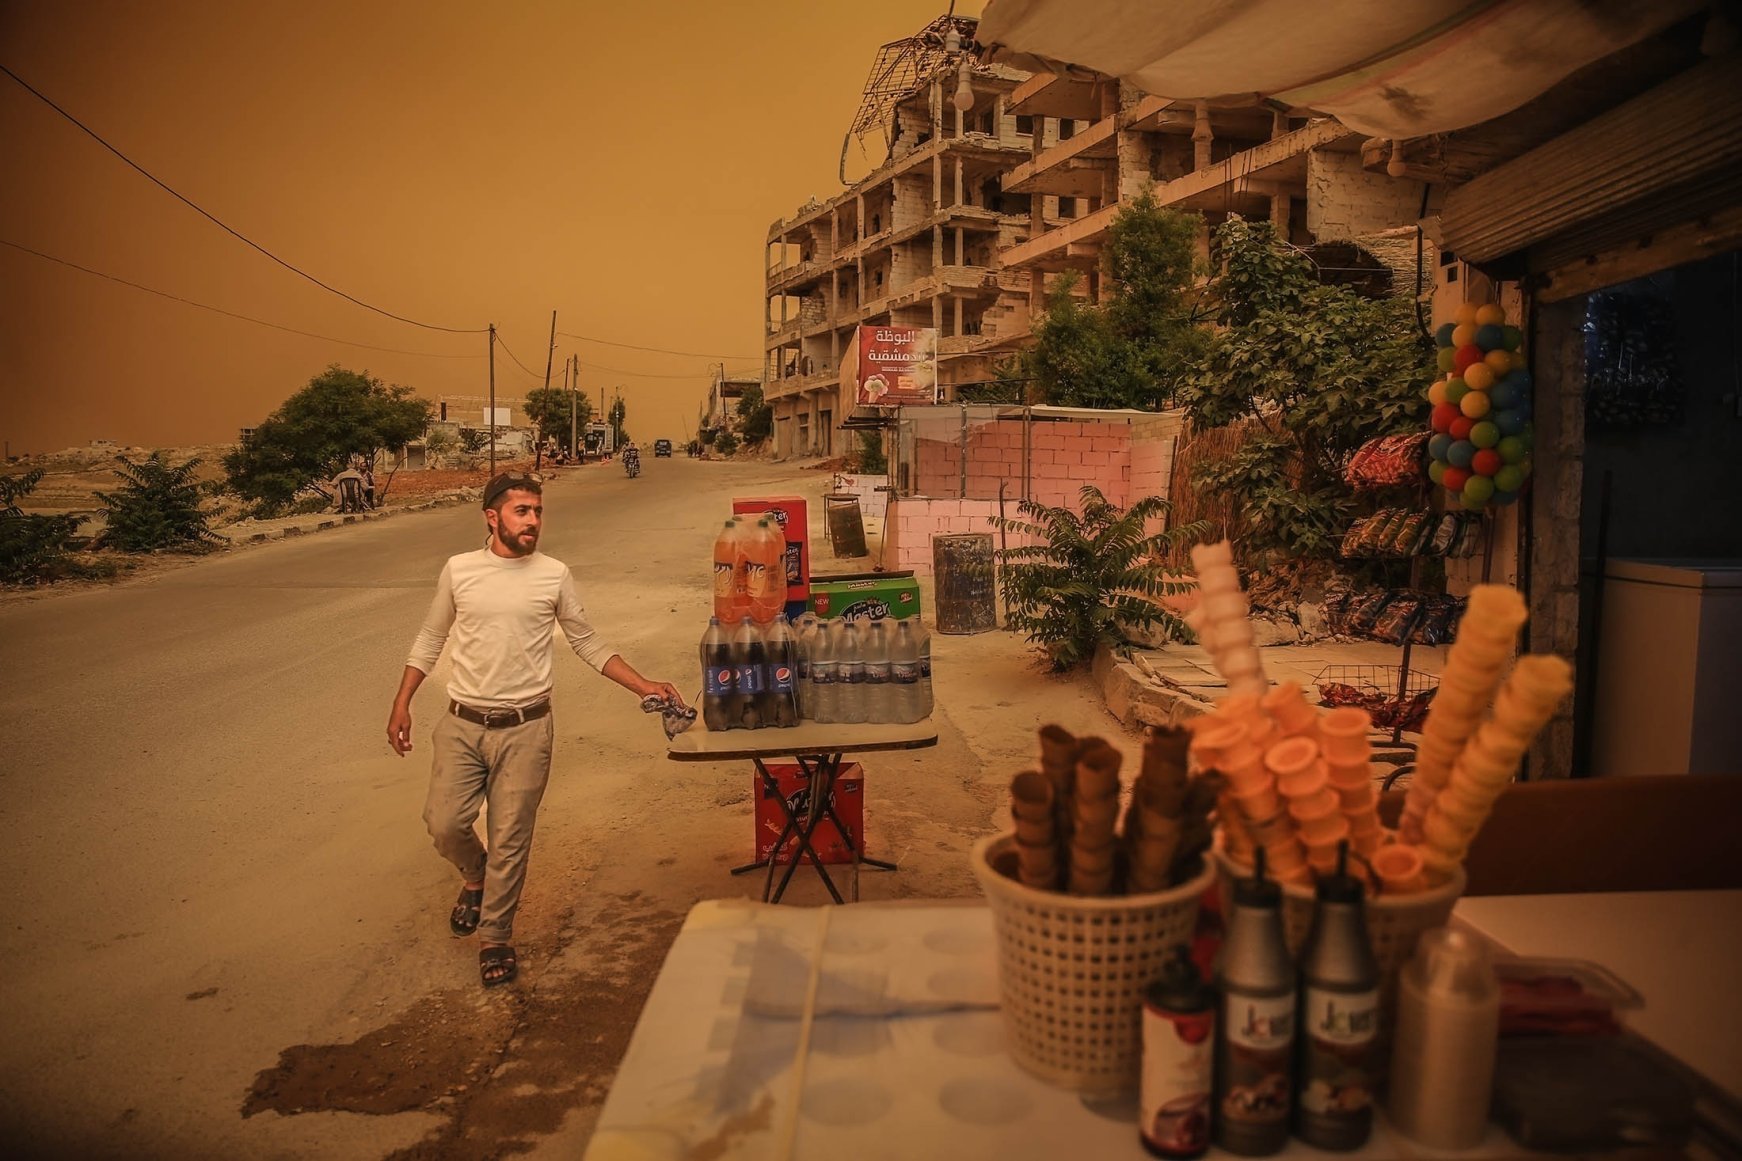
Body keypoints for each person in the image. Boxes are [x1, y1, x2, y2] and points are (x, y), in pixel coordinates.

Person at [386, 472, 682, 988]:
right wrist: (402, 700)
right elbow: (431, 636)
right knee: (444, 822)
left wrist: (642, 684)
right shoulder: (459, 571)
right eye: (522, 511)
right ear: (491, 517)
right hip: (462, 723)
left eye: (538, 512)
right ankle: (474, 879)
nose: (533, 521)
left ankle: (495, 937)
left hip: (527, 729)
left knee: (511, 841)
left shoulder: (554, 575)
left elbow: (588, 642)